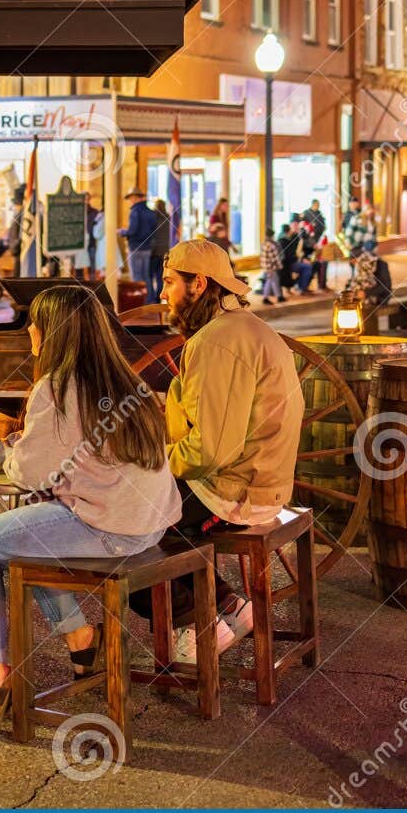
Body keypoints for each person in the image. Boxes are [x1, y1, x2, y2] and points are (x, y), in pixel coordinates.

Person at [0, 285, 181, 731]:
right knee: (30, 534)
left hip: (111, 528)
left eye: (35, 324)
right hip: (151, 523)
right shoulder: (123, 380)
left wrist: (3, 455)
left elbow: (31, 475)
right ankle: (82, 642)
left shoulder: (57, 387)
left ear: (51, 332)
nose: (30, 332)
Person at [128, 240, 303, 662]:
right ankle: (228, 606)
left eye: (170, 282)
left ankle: (198, 626)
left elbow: (209, 452)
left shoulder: (216, 341)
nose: (162, 294)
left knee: (121, 528)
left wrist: (153, 463)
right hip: (265, 481)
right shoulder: (248, 329)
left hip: (233, 489)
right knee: (139, 506)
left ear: (199, 284)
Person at [120, 191, 163, 302]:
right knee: (146, 276)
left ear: (136, 198)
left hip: (135, 247)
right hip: (147, 248)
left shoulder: (135, 212)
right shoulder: (151, 213)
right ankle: (149, 300)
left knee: (136, 277)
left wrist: (122, 232)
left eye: (131, 198)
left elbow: (132, 231)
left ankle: (139, 302)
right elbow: (154, 231)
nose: (130, 200)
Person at [301, 198, 328, 291]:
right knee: (312, 263)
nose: (317, 207)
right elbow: (304, 232)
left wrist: (320, 241)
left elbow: (323, 226)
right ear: (312, 205)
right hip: (308, 245)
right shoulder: (306, 213)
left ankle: (322, 284)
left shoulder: (320, 214)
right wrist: (312, 243)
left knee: (323, 263)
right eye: (316, 205)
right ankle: (305, 285)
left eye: (318, 205)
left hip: (318, 242)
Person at [149, 199, 172, 301]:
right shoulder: (168, 218)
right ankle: (158, 297)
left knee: (150, 276)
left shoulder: (153, 218)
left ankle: (151, 297)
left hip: (154, 251)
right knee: (160, 276)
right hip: (164, 251)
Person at [259, 229, 284, 305]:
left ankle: (279, 297)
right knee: (270, 282)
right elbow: (275, 258)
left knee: (274, 281)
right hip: (271, 267)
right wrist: (280, 266)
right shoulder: (271, 246)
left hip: (266, 266)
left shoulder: (263, 244)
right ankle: (265, 298)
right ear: (272, 236)